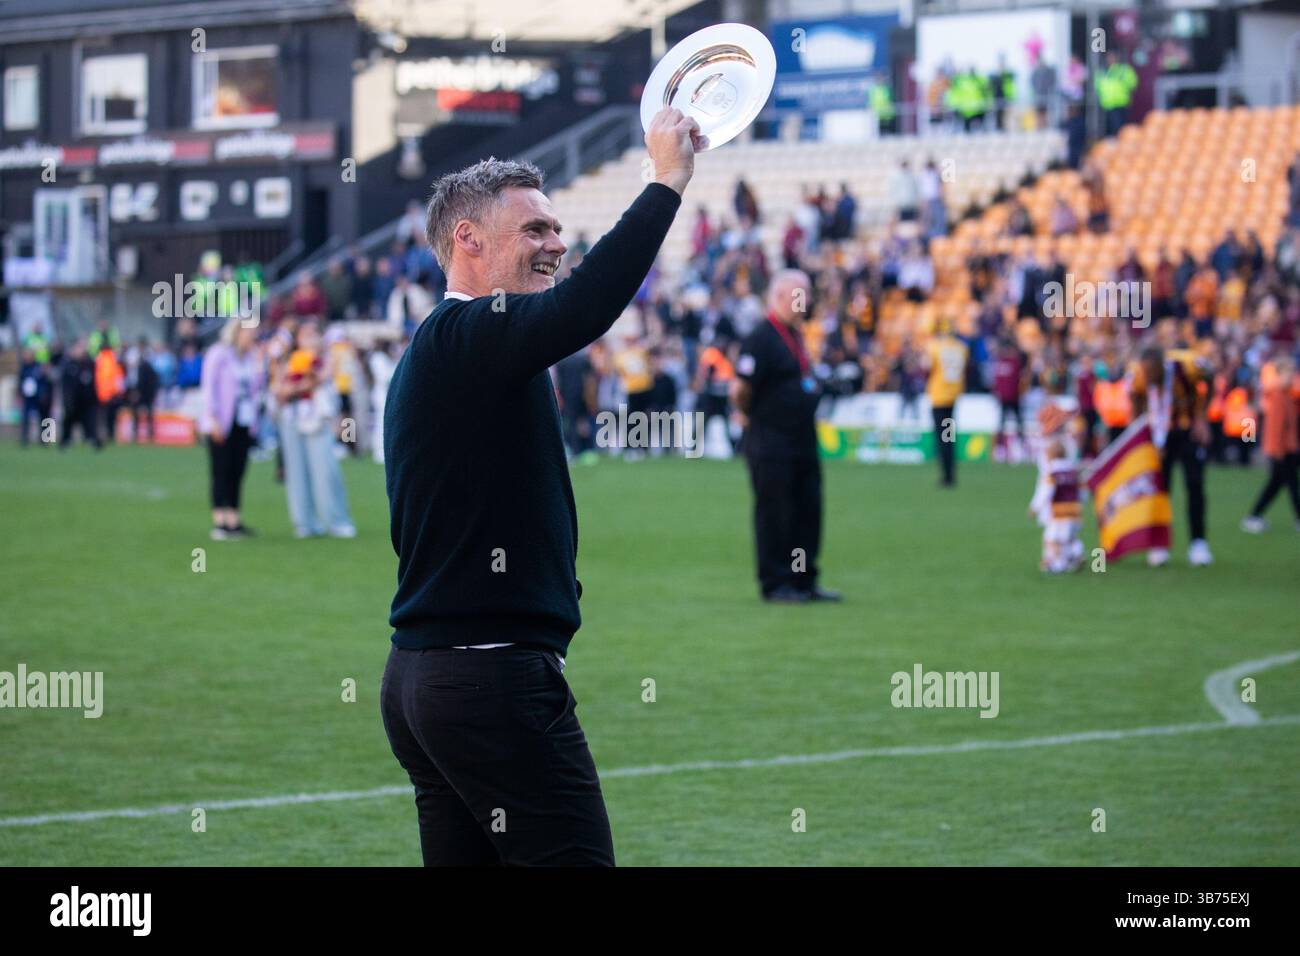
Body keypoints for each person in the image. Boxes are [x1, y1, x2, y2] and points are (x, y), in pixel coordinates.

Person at [380, 107, 703, 867]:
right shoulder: (466, 335)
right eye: (535, 230)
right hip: (486, 680)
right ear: (468, 242)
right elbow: (585, 307)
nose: (557, 244)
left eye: (557, 229)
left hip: (429, 677)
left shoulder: (457, 347)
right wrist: (666, 181)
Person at [731, 269, 840, 604]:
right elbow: (740, 389)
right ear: (780, 296)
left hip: (802, 441)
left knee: (807, 512)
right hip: (772, 443)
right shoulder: (762, 338)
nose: (804, 302)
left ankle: (802, 579)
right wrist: (753, 417)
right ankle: (776, 582)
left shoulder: (796, 336)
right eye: (799, 295)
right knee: (776, 513)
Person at [271, 320, 356, 539]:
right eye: (304, 335)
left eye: (313, 334)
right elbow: (278, 389)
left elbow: (318, 379)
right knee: (296, 472)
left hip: (317, 419)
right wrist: (293, 386)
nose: (309, 339)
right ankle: (304, 522)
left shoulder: (326, 359)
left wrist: (296, 386)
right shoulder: (287, 360)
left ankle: (336, 519)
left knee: (326, 471)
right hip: (292, 418)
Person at [1130, 346, 1212, 567]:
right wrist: (1140, 431)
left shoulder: (1186, 366)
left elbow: (1209, 378)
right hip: (1159, 435)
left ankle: (1198, 542)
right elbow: (1135, 397)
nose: (1147, 377)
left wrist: (1202, 417)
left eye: (1151, 372)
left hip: (1187, 431)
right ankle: (1159, 544)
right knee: (1160, 488)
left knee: (1194, 484)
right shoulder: (1139, 376)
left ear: (1160, 366)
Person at [199, 319, 264, 540]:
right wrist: (213, 418)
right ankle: (220, 522)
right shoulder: (219, 354)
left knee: (238, 470)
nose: (253, 336)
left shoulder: (251, 357)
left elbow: (257, 387)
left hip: (243, 420)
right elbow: (209, 388)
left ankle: (234, 520)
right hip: (222, 421)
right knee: (221, 470)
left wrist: (260, 362)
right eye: (250, 331)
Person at [1241, 355, 1300, 533]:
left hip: (1287, 448)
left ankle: (1254, 516)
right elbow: (1275, 427)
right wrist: (1276, 450)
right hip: (1282, 449)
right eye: (1287, 373)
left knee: (1280, 484)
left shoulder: (1286, 395)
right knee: (1287, 484)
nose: (1291, 376)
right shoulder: (1278, 397)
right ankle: (1253, 516)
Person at [1029, 438, 1084, 574]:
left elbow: (1045, 491)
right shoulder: (1073, 471)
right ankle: (1075, 553)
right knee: (1068, 538)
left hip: (1058, 511)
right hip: (1074, 510)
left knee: (1053, 538)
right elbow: (1082, 491)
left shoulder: (1051, 472)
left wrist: (1035, 507)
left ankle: (1058, 564)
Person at [925, 319, 968, 487]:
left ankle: (946, 475)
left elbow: (927, 367)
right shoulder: (961, 348)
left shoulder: (935, 347)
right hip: (953, 397)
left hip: (938, 397)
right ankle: (951, 473)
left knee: (942, 437)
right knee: (949, 437)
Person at [59, 339, 100, 449]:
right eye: (79, 348)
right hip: (72, 400)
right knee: (68, 421)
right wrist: (67, 399)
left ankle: (93, 440)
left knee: (90, 421)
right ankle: (65, 441)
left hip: (87, 400)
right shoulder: (68, 365)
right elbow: (65, 385)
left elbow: (95, 382)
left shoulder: (89, 364)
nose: (82, 350)